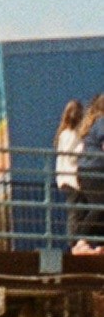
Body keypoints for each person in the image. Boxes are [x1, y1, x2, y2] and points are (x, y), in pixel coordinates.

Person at [69, 95, 104, 255]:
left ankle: (95, 244)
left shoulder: (94, 123)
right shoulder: (102, 122)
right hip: (95, 171)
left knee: (98, 207)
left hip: (87, 171)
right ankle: (81, 241)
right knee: (99, 206)